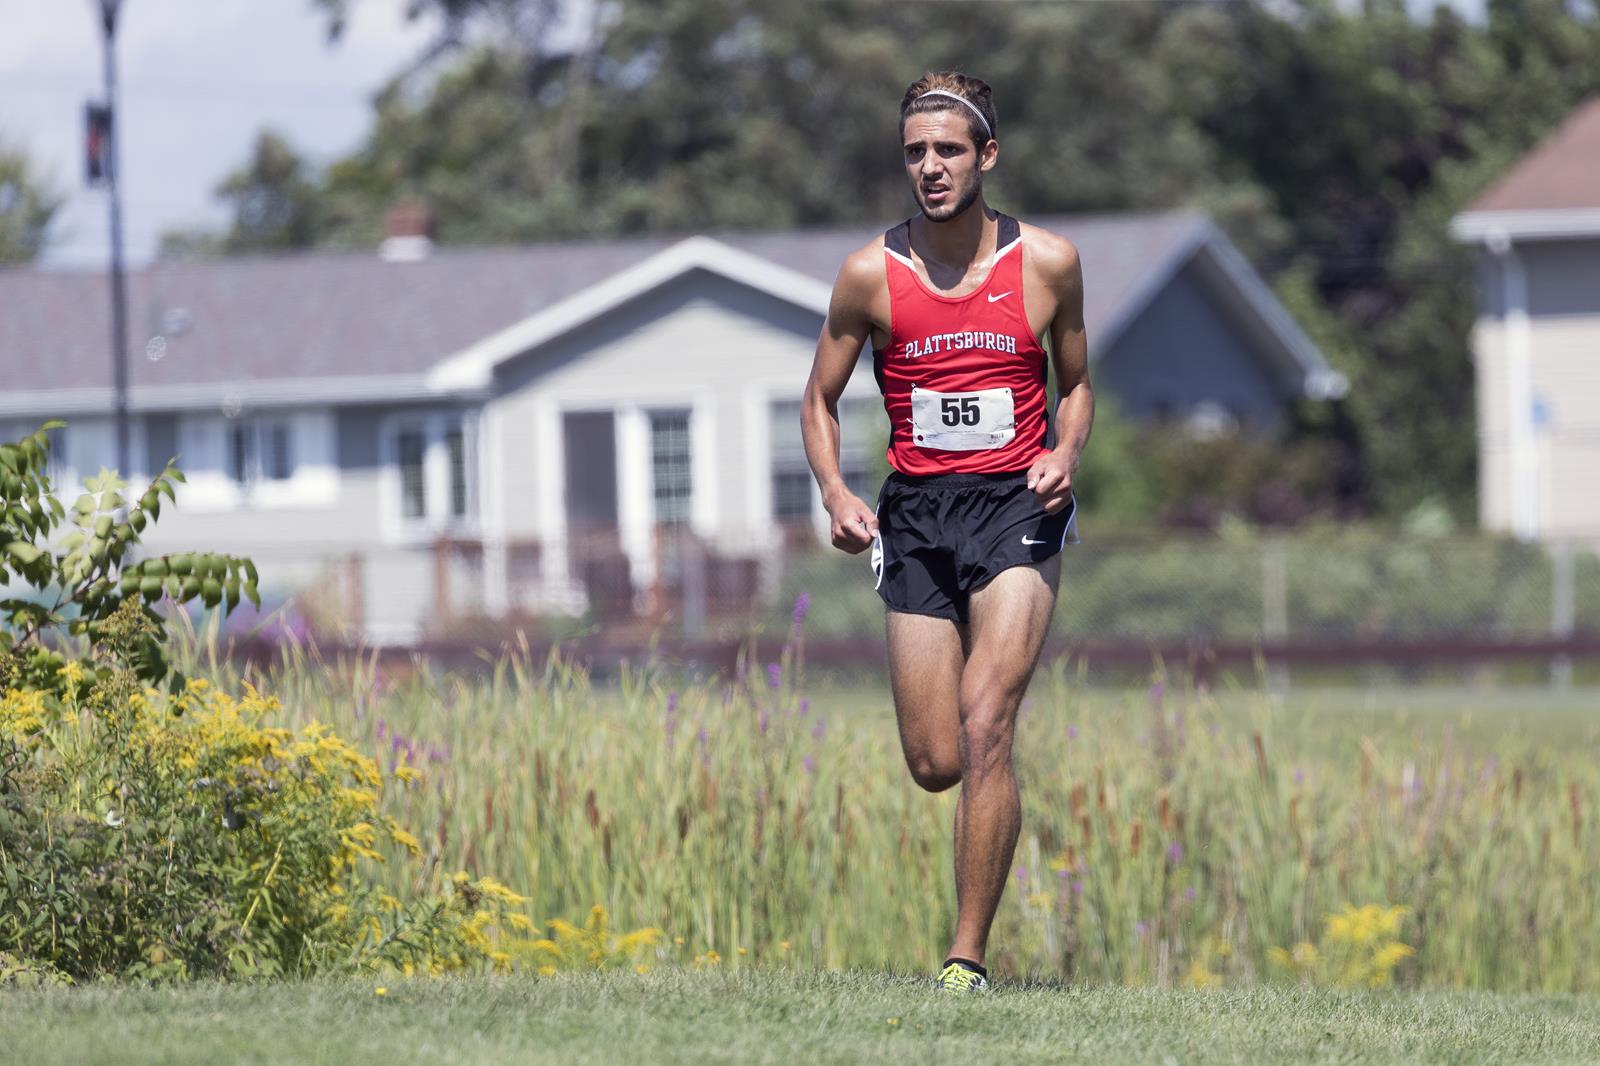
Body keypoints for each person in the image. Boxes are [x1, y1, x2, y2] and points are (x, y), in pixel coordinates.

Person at [800, 70, 1093, 992]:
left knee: (985, 724)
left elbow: (1078, 386)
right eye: (915, 152)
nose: (930, 167)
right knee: (934, 762)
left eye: (949, 150)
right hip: (917, 517)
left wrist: (1066, 455)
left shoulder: (1047, 263)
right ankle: (969, 917)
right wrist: (835, 493)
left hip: (1017, 507)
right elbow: (819, 399)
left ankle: (965, 960)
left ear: (987, 157)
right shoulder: (868, 276)